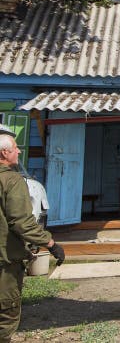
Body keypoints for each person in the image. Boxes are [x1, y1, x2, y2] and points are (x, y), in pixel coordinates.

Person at [0, 124, 65, 342]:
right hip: (5, 262)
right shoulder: (12, 180)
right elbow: (22, 222)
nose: (19, 151)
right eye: (16, 148)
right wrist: (51, 244)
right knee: (5, 315)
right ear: (4, 153)